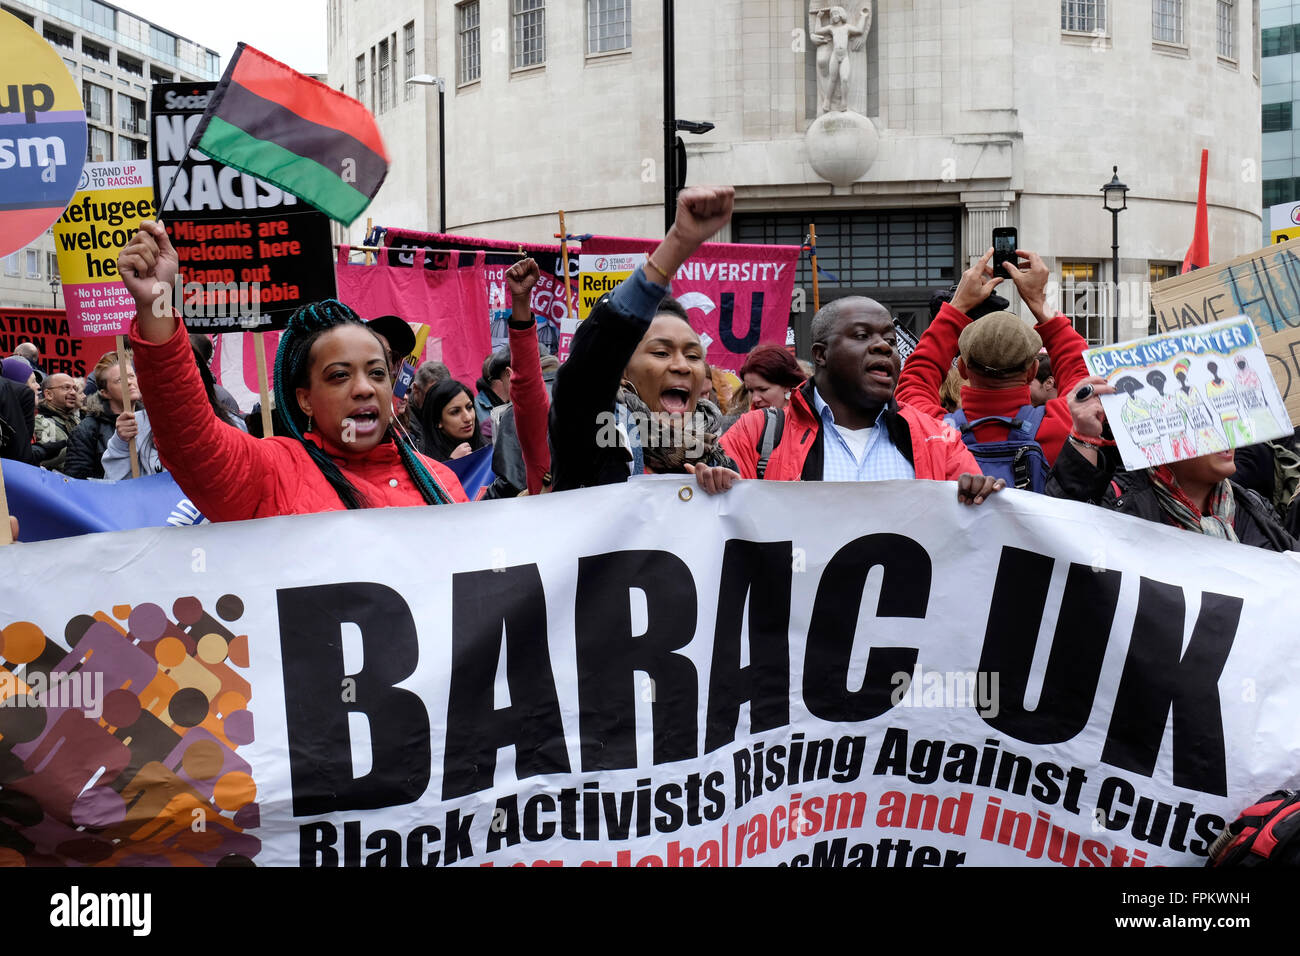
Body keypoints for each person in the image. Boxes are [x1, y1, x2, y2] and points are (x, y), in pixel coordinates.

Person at [116, 220, 467, 519]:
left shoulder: (441, 483)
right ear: (305, 400)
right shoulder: (272, 475)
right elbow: (190, 437)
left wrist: (522, 324)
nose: (364, 388)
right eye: (339, 375)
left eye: (377, 373)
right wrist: (157, 303)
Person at [700, 294, 1001, 505]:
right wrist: (714, 487)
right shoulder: (754, 435)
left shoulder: (938, 439)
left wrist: (980, 495)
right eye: (861, 336)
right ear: (820, 354)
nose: (883, 346)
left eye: (891, 340)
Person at [549, 186, 739, 491]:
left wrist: (727, 498)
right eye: (662, 353)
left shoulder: (720, 457)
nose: (682, 366)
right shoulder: (595, 435)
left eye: (693, 356)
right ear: (622, 369)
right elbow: (591, 363)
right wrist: (678, 243)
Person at [1046, 377, 1294, 551]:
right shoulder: (1120, 508)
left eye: (1224, 421)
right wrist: (1084, 437)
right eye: (1203, 423)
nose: (1224, 436)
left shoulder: (1254, 508)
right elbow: (1061, 539)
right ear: (1166, 437)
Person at [895, 247, 1088, 467]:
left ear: (963, 368)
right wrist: (1038, 302)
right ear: (1032, 371)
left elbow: (915, 378)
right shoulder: (1063, 423)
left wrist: (957, 306)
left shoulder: (933, 431)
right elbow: (1081, 371)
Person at [65, 354, 140, 480]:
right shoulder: (86, 431)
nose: (129, 382)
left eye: (131, 376)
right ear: (105, 393)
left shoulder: (153, 421)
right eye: (120, 380)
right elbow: (77, 483)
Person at [419, 379, 485, 462]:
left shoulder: (490, 448)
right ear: (438, 420)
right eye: (455, 412)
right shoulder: (423, 463)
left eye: (469, 407)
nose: (468, 418)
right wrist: (453, 463)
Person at [33, 373, 81, 472]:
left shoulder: (76, 420)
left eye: (75, 388)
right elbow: (43, 462)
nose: (73, 392)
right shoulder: (41, 422)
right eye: (66, 388)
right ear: (49, 394)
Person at [740, 343, 805, 411]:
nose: (755, 399)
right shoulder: (742, 420)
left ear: (787, 385)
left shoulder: (814, 416)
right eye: (751, 391)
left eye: (763, 390)